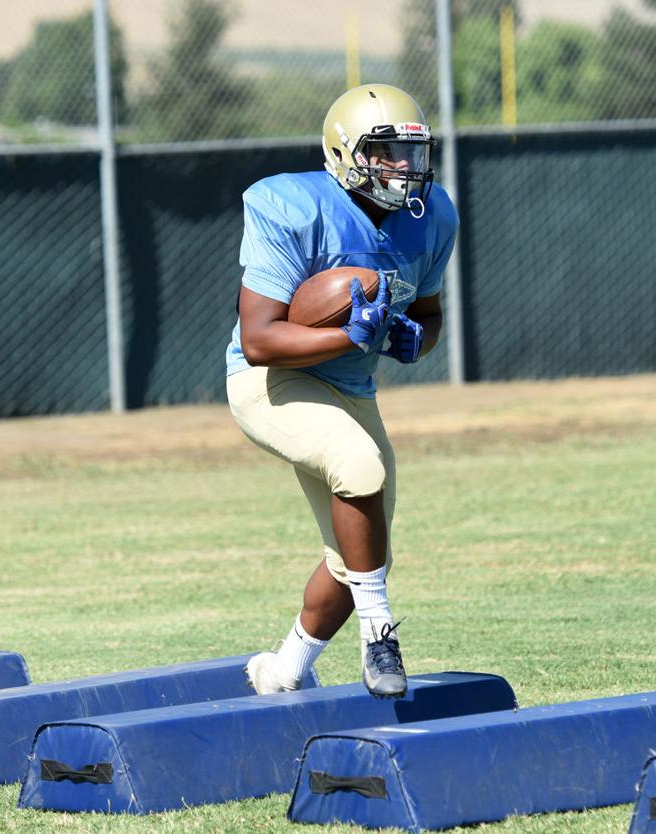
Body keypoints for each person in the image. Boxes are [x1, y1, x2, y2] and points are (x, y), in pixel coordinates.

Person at [225, 83, 458, 699]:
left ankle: (284, 672)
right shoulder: (291, 204)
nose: (404, 168)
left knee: (356, 557)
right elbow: (260, 340)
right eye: (386, 152)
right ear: (344, 154)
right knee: (361, 467)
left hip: (350, 384)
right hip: (272, 381)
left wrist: (416, 340)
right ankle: (380, 634)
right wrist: (349, 337)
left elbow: (430, 314)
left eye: (412, 153)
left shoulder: (432, 216)